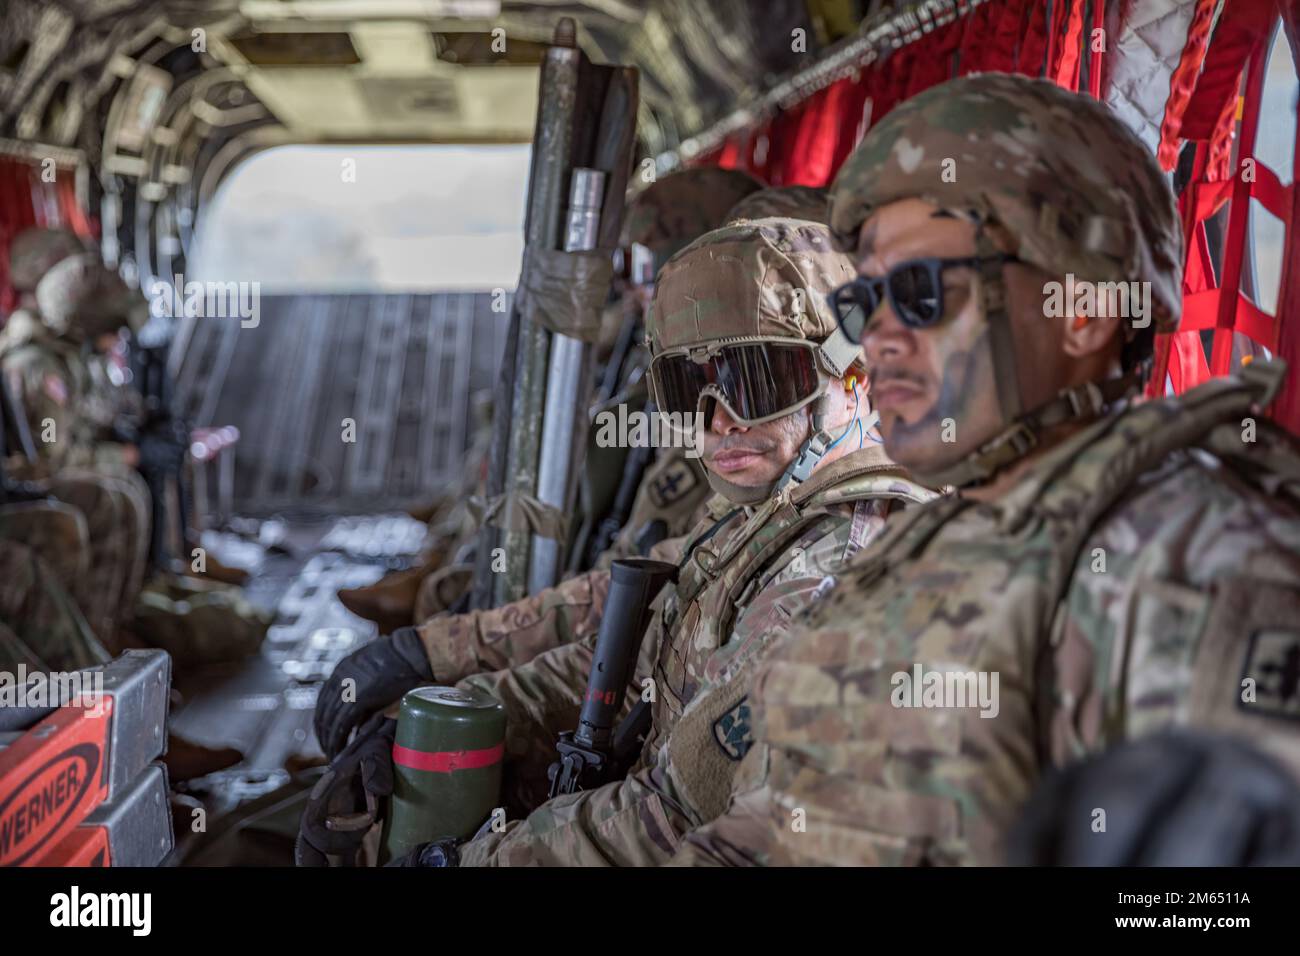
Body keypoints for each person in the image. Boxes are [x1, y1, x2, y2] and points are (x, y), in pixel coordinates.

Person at [670, 73, 1300, 867]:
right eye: (864, 303)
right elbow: (784, 824)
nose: (881, 338)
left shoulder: (1200, 568)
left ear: (1083, 310)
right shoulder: (930, 541)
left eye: (922, 292)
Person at [299, 217, 935, 866]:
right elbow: (638, 670)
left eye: (754, 381)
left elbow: (675, 817)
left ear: (853, 378)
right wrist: (442, 716)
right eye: (692, 388)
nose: (718, 420)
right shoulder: (762, 518)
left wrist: (473, 861)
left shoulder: (836, 572)